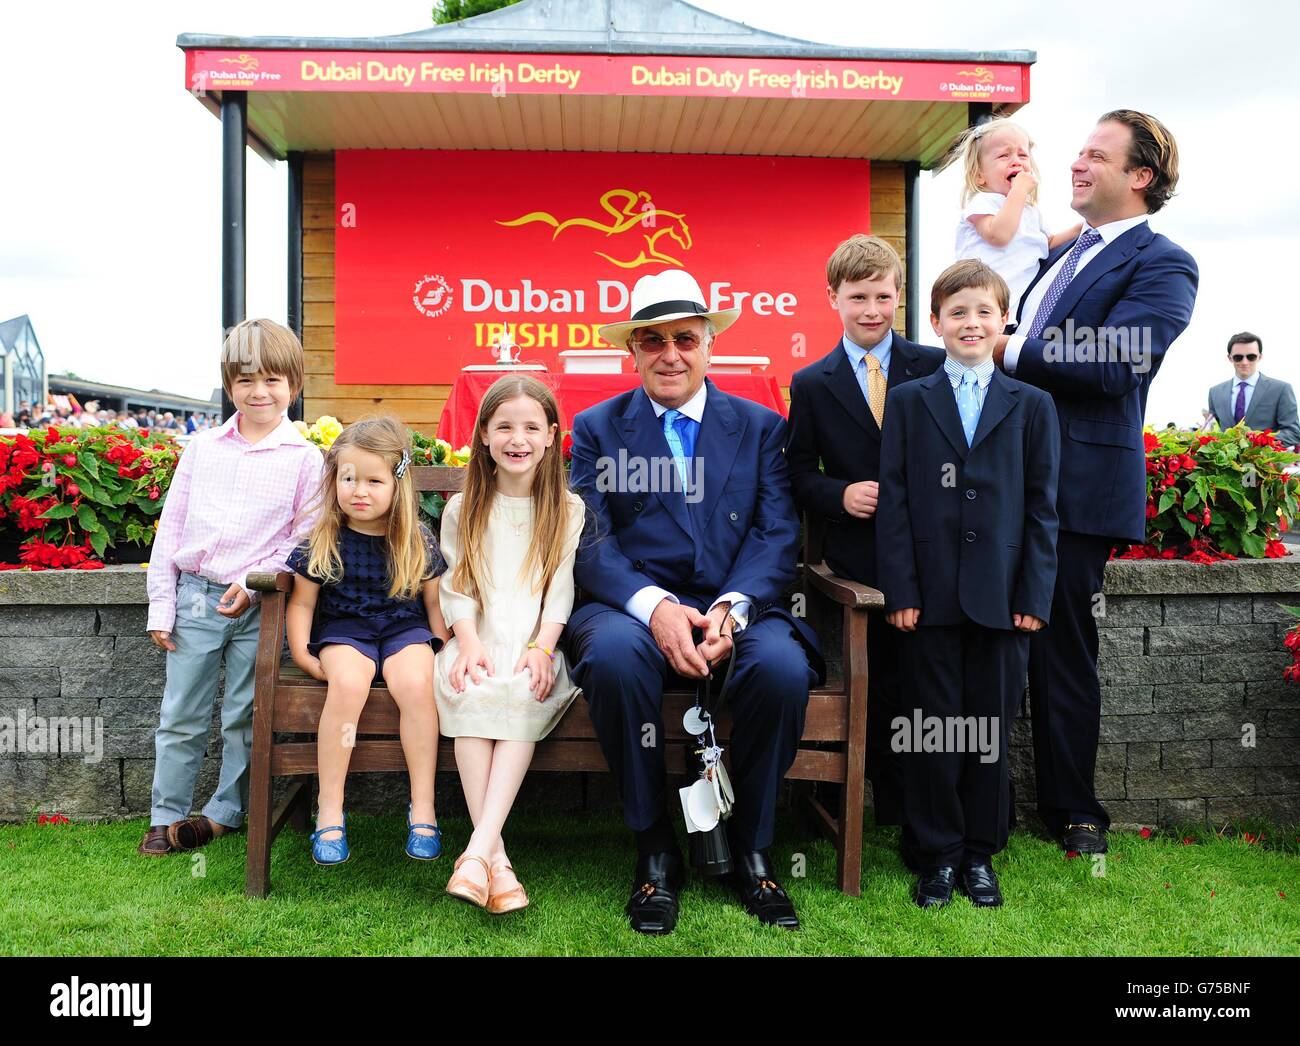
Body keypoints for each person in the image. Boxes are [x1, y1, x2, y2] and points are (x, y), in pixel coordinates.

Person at [567, 268, 824, 936]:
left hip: (737, 603)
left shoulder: (763, 427)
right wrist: (653, 606)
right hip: (632, 606)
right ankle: (655, 849)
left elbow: (776, 532)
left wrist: (731, 609)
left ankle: (753, 849)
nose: (670, 354)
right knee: (616, 663)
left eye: (685, 338)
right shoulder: (597, 429)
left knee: (782, 670)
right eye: (652, 341)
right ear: (633, 352)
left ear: (709, 346)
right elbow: (590, 539)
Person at [992, 109, 1199, 854]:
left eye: (1095, 156)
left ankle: (1075, 812)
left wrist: (1006, 348)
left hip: (1075, 494)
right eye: (1077, 153)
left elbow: (1114, 361)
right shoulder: (1059, 257)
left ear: (1139, 177)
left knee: (1061, 650)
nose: (1074, 165)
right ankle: (976, 809)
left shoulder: (1163, 262)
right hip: (1002, 484)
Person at [878, 259, 1059, 908]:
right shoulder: (908, 402)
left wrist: (1034, 597)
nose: (971, 322)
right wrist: (900, 591)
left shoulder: (1032, 405)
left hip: (1005, 602)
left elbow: (1043, 509)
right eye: (957, 312)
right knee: (932, 729)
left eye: (984, 311)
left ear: (1003, 319)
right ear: (934, 322)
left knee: (987, 729)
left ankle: (982, 853)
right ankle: (939, 855)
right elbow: (895, 503)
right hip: (929, 600)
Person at [139, 319, 324, 857]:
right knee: (182, 713)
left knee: (246, 713)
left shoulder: (304, 460)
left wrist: (252, 581)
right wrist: (162, 604)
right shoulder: (202, 450)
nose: (258, 392)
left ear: (294, 384)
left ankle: (227, 811)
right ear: (228, 385)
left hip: (261, 604)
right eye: (245, 380)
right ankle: (165, 814)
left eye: (272, 380)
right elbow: (170, 528)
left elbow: (302, 537)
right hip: (197, 597)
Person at [785, 234, 944, 843]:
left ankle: (915, 813)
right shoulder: (814, 382)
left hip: (930, 556)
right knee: (869, 685)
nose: (871, 309)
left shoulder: (934, 366)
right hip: (857, 562)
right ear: (833, 298)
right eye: (858, 297)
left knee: (924, 683)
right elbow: (796, 471)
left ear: (900, 297)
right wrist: (840, 495)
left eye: (883, 296)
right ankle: (858, 801)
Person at [434, 375, 586, 914]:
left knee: (522, 695)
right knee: (473, 695)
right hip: (477, 638)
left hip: (532, 646)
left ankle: (477, 855)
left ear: (551, 436)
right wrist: (468, 642)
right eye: (503, 427)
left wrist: (543, 649)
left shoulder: (566, 509)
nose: (516, 438)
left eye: (529, 427)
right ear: (482, 436)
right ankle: (493, 861)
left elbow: (559, 591)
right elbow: (458, 586)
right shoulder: (464, 508)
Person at [285, 415, 449, 866]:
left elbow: (434, 604)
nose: (360, 490)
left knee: (417, 685)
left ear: (398, 484)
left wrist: (442, 645)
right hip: (345, 631)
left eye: (374, 480)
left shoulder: (415, 538)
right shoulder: (326, 538)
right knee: (349, 685)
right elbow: (301, 604)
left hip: (403, 627)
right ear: (334, 478)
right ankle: (330, 810)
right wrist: (301, 650)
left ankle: (423, 807)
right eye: (349, 478)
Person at [949, 118, 1082, 319]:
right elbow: (999, 235)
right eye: (1003, 155)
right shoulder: (984, 202)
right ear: (979, 176)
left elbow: (1046, 243)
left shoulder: (1029, 211)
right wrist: (1018, 191)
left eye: (1023, 155)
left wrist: (1081, 228)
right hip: (980, 306)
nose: (1016, 161)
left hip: (1019, 310)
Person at [1208, 332, 1300, 448]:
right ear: (1230, 358)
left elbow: (1293, 432)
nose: (1244, 362)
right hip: (1226, 463)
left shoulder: (1281, 389)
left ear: (1260, 356)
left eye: (1251, 357)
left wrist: (1258, 443)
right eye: (1238, 357)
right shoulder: (1215, 392)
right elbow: (1212, 430)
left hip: (1264, 462)